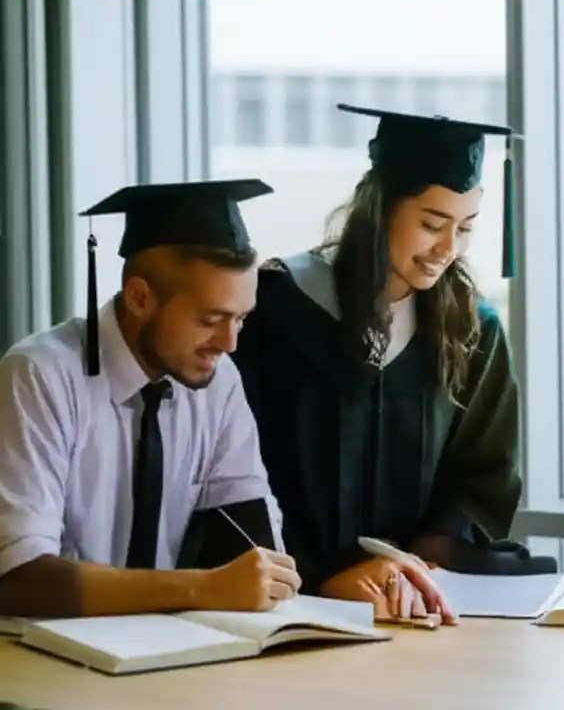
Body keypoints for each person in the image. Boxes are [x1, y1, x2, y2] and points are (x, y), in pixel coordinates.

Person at [231, 105, 526, 623]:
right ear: (381, 207)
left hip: (412, 606)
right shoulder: (278, 308)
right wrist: (322, 575)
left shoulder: (470, 330)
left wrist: (418, 564)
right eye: (432, 223)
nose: (447, 249)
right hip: (289, 606)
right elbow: (238, 470)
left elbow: (483, 478)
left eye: (466, 228)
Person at [0, 179, 300, 618]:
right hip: (45, 663)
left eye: (241, 319)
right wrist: (199, 589)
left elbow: (249, 542)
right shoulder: (38, 377)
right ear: (140, 298)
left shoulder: (218, 384)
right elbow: (18, 579)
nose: (229, 342)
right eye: (210, 319)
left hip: (166, 657)